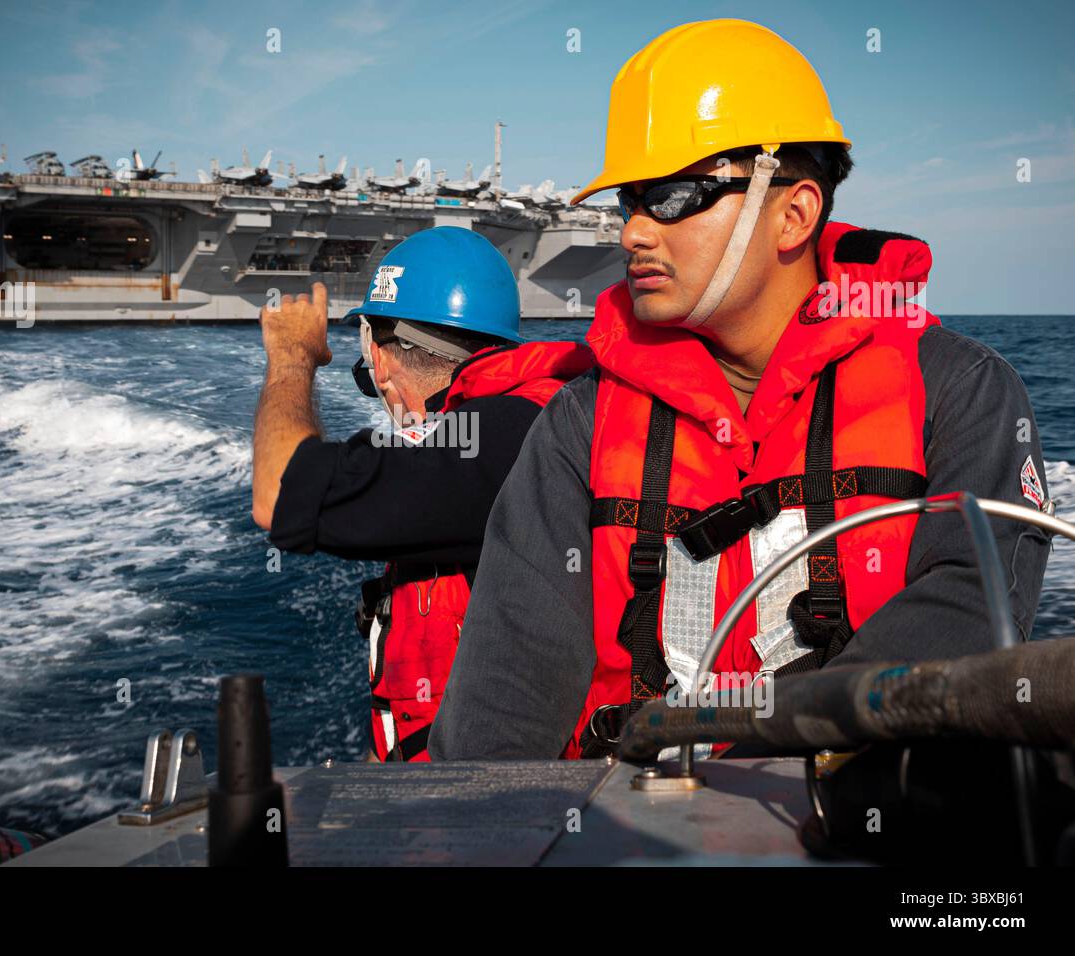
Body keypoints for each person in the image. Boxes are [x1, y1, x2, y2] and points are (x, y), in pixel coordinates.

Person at [430, 19, 1053, 760]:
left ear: (793, 214)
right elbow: (505, 697)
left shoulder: (959, 392)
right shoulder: (581, 422)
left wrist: (783, 770)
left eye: (671, 195)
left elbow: (967, 603)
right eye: (630, 199)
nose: (632, 232)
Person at [251, 226, 592, 761]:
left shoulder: (491, 446)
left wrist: (293, 357)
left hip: (496, 813)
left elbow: (277, 490)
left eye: (369, 375)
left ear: (380, 363)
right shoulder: (542, 415)